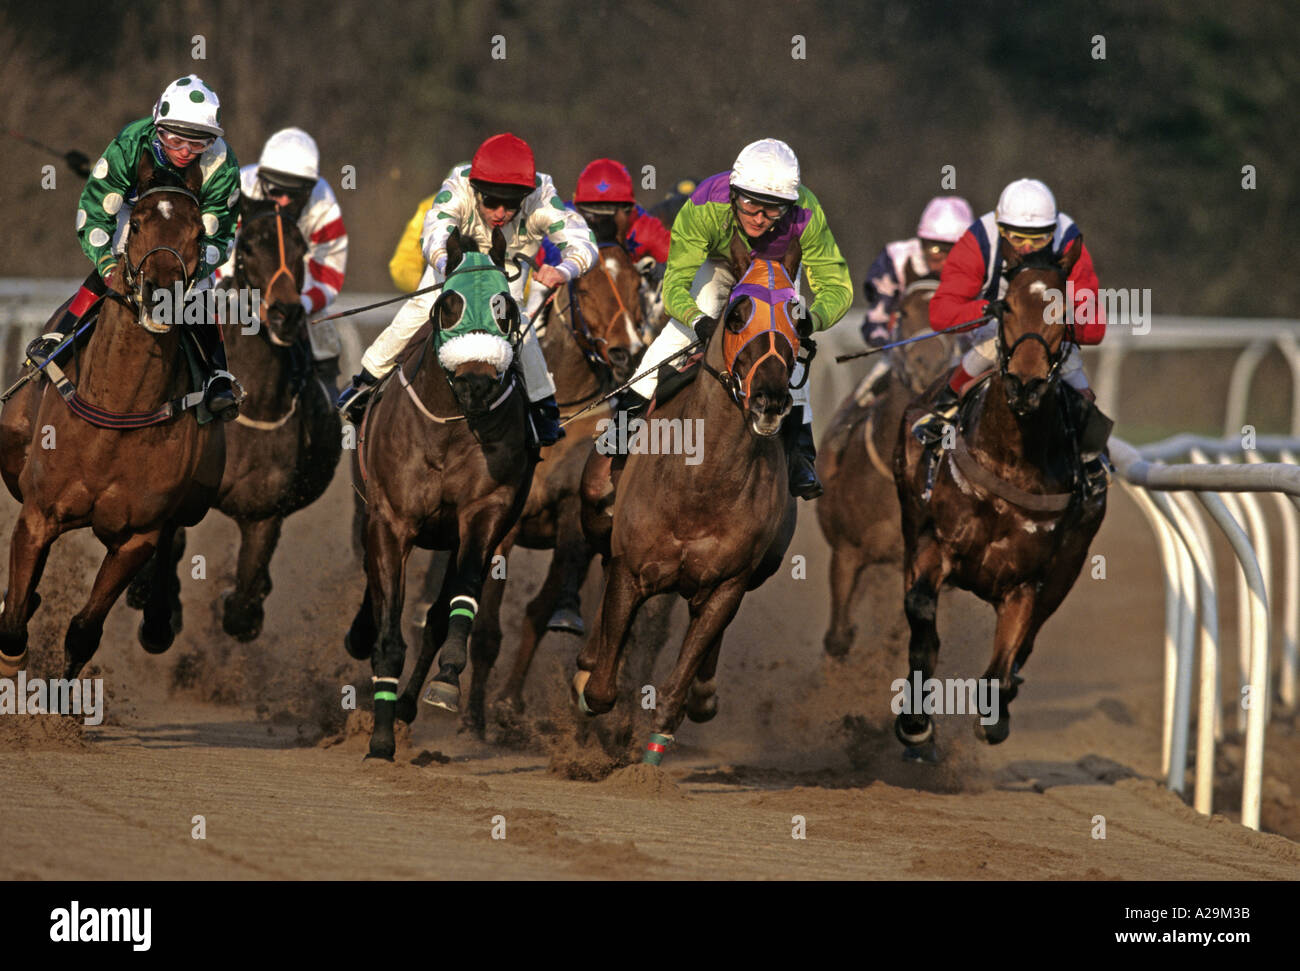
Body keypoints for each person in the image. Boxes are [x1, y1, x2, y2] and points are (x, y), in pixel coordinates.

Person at [623, 138, 853, 500]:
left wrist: (810, 321)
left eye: (773, 210)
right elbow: (675, 287)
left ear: (789, 206)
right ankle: (623, 424)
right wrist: (698, 320)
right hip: (719, 264)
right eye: (750, 204)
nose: (759, 218)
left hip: (776, 271)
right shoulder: (703, 204)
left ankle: (800, 453)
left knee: (785, 343)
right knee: (684, 328)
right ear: (733, 194)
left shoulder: (807, 211)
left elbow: (838, 288)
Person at [337, 133, 598, 445]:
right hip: (453, 271)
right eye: (491, 201)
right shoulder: (460, 183)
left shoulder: (541, 196)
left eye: (511, 203)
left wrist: (563, 269)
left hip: (506, 280)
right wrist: (451, 267)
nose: (501, 212)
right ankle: (366, 381)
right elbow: (434, 231)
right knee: (420, 309)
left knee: (522, 328)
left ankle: (544, 408)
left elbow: (583, 242)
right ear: (477, 190)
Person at [28, 75, 242, 418]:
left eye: (198, 144)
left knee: (202, 286)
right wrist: (108, 265)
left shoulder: (222, 165)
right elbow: (96, 213)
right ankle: (59, 336)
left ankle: (217, 375)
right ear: (158, 129)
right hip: (135, 211)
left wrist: (191, 268)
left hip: (188, 224)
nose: (185, 152)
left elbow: (220, 234)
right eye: (175, 140)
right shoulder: (130, 143)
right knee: (121, 258)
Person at [911, 178, 1109, 485]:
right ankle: (943, 416)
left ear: (1053, 232)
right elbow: (940, 314)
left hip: (1049, 331)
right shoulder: (979, 238)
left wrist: (1049, 325)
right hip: (996, 321)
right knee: (987, 348)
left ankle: (1094, 460)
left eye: (1039, 239)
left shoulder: (1069, 240)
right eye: (1017, 238)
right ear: (1001, 230)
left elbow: (1094, 327)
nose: (1027, 248)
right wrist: (984, 311)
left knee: (1076, 378)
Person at [210, 127, 348, 389]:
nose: (283, 201)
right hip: (236, 289)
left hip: (292, 290)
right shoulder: (237, 189)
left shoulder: (323, 204)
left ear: (309, 190)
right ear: (262, 181)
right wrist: (248, 306)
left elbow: (328, 274)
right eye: (276, 190)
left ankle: (328, 407)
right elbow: (218, 256)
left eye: (294, 194)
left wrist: (297, 305)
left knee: (326, 337)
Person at [852, 195, 973, 405]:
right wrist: (890, 344)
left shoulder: (981, 266)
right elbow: (875, 322)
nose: (945, 263)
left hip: (959, 355)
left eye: (955, 253)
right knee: (859, 402)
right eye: (936, 252)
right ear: (922, 243)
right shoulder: (896, 259)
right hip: (900, 355)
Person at [537, 157, 670, 327]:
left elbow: (682, 261)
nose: (601, 223)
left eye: (611, 213)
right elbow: (549, 263)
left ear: (629, 210)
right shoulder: (561, 218)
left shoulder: (646, 226)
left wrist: (662, 270)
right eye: (591, 214)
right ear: (577, 208)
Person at [388, 161, 469, 293]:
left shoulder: (499, 208)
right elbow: (405, 260)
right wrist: (423, 286)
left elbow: (402, 261)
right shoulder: (429, 207)